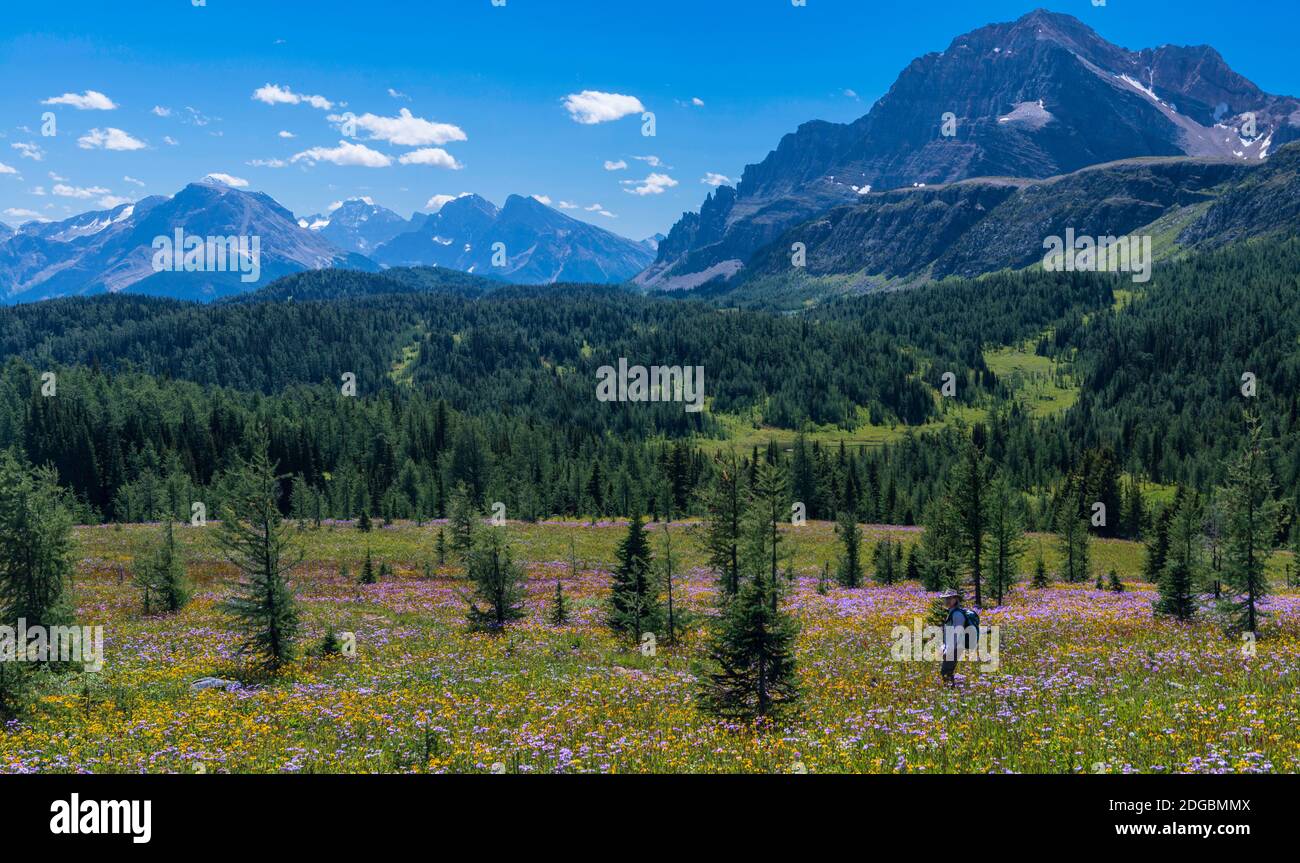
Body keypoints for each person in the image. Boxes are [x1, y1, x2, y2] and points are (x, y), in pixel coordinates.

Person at [939, 588, 967, 687]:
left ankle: (951, 693)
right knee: (947, 672)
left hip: (955, 647)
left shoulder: (957, 614)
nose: (947, 601)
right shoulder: (951, 612)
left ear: (955, 600)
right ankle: (953, 690)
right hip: (952, 646)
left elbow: (957, 634)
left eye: (950, 599)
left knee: (945, 672)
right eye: (946, 599)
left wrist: (949, 650)